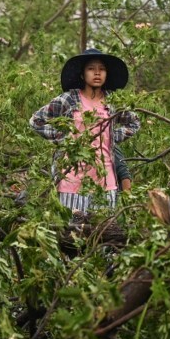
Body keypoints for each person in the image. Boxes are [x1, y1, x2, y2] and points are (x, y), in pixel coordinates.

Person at [30, 48, 139, 215]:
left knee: (104, 232)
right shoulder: (69, 99)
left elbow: (134, 122)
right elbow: (36, 121)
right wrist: (64, 138)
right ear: (82, 74)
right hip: (71, 180)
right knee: (71, 233)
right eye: (91, 69)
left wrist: (112, 136)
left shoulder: (112, 101)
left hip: (105, 181)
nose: (97, 73)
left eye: (102, 69)